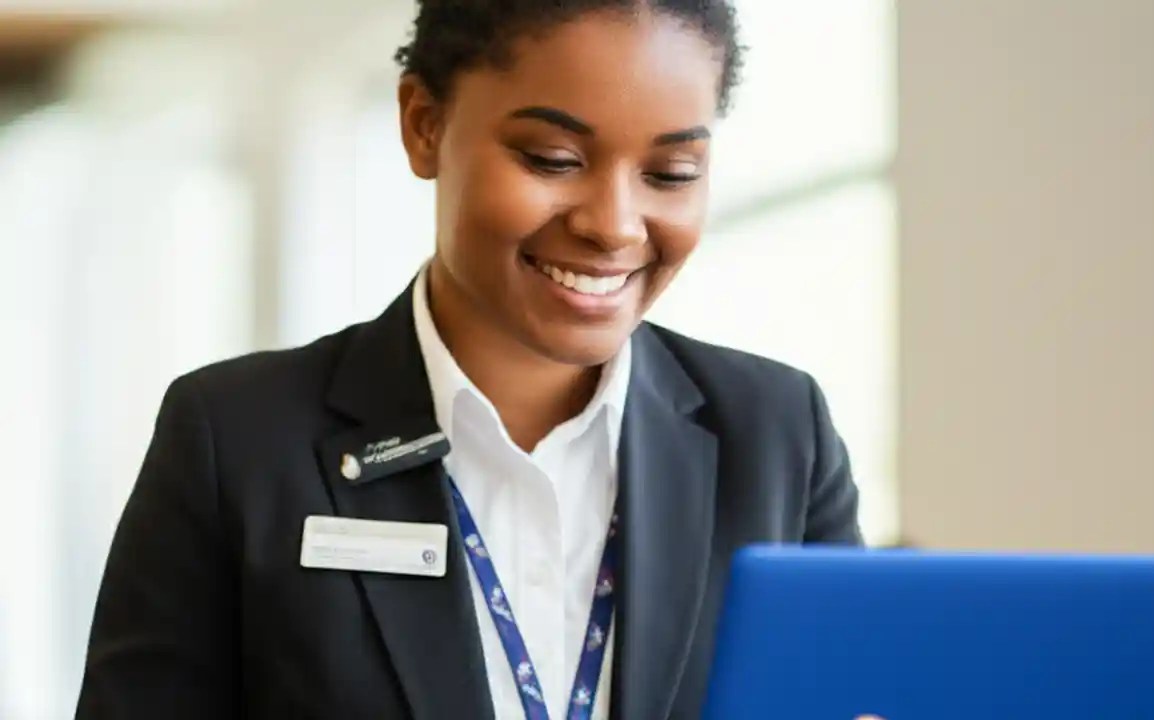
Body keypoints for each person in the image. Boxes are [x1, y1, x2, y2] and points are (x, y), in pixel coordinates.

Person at [75, 1, 862, 717]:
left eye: (670, 174)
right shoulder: (236, 441)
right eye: (554, 158)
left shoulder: (780, 433)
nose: (616, 226)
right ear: (423, 125)